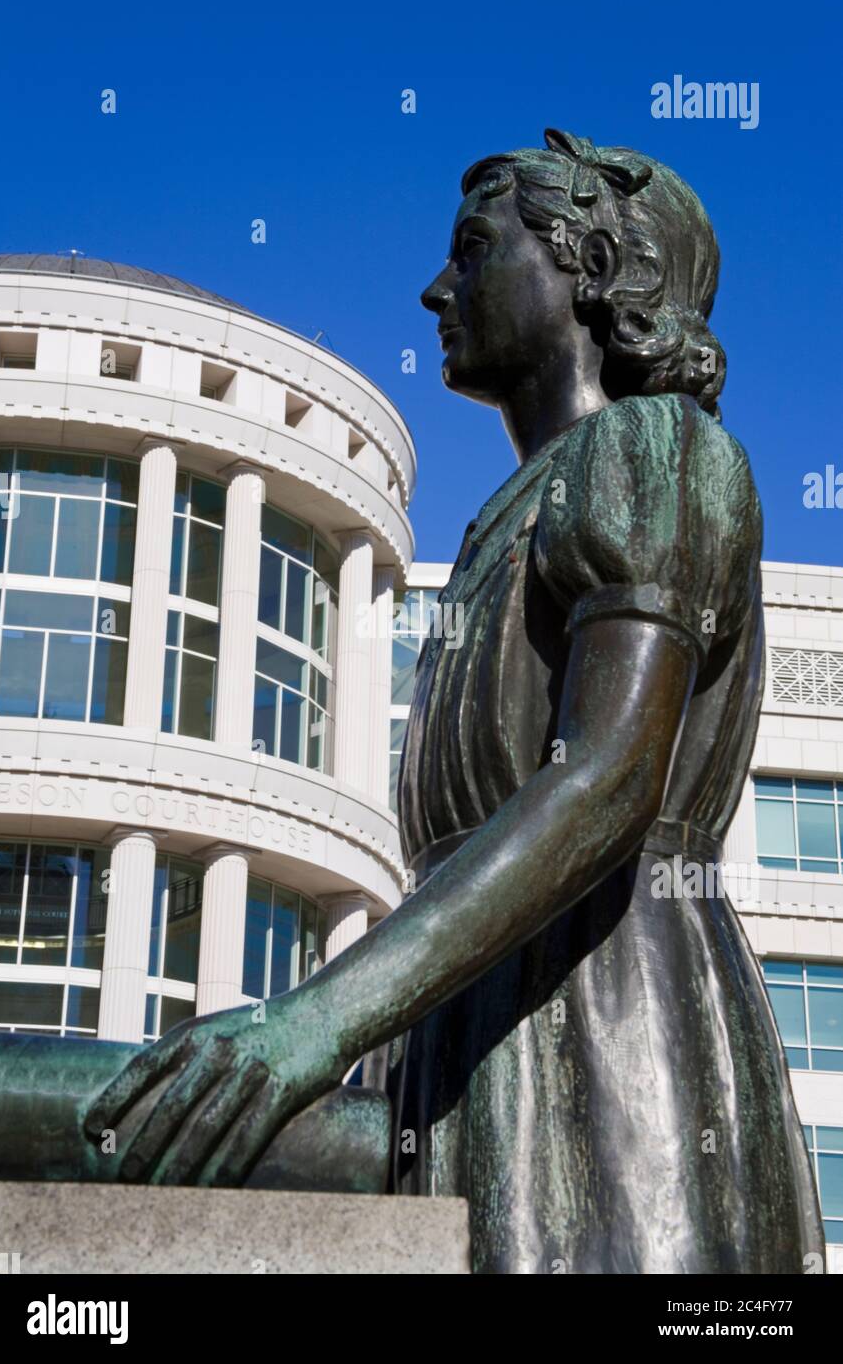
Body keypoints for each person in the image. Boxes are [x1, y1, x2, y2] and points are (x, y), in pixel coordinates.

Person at [85, 129, 823, 1273]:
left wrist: (312, 1022)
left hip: (618, 1026)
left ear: (585, 265)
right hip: (468, 1041)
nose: (437, 287)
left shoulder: (654, 450)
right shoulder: (502, 520)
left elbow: (609, 776)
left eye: (473, 251)